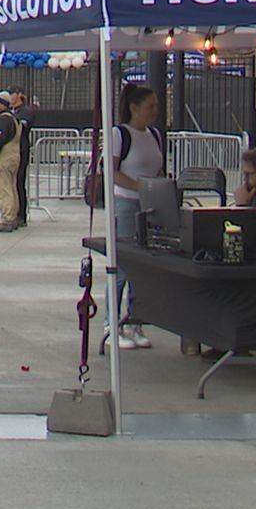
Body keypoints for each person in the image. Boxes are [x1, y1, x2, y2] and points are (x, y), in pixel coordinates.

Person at [109, 85, 165, 351]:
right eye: (149, 107)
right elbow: (112, 171)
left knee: (142, 267)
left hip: (149, 207)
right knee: (122, 265)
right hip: (126, 204)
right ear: (133, 108)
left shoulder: (154, 134)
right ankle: (113, 323)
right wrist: (140, 187)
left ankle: (134, 320)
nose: (154, 112)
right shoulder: (120, 134)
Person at [0, 92, 24, 233]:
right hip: (14, 157)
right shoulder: (14, 118)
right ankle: (13, 217)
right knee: (11, 188)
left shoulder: (3, 120)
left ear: (2, 104)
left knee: (3, 190)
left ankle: (6, 219)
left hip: (3, 158)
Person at [11, 88, 37, 227]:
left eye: (12, 93)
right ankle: (13, 211)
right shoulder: (12, 111)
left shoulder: (25, 111)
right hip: (12, 149)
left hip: (21, 149)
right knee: (12, 183)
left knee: (19, 183)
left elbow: (23, 126)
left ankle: (21, 214)